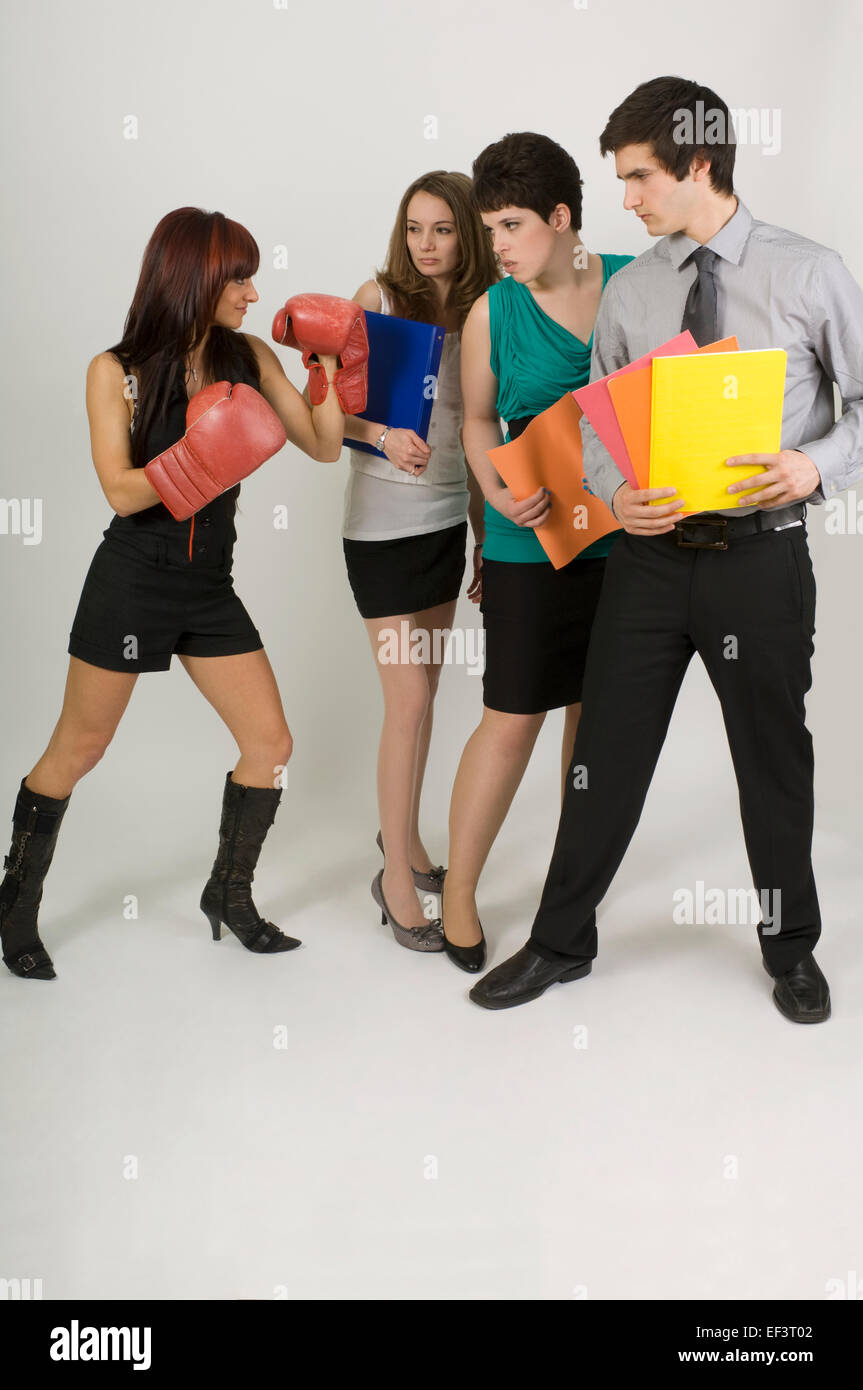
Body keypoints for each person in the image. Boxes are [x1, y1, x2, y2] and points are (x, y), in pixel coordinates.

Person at [470, 77, 863, 1022]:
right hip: (646, 566)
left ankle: (790, 952)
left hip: (760, 561)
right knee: (601, 755)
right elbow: (597, 421)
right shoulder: (635, 289)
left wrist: (813, 469)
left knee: (772, 759)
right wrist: (611, 493)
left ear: (700, 163)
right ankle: (561, 943)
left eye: (640, 176)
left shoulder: (808, 271)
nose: (628, 198)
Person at [0, 206, 349, 979]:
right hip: (132, 581)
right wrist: (203, 451)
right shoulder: (114, 370)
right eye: (239, 278)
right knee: (79, 748)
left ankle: (228, 894)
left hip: (207, 587)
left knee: (271, 745)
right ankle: (14, 908)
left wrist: (328, 367)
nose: (253, 294)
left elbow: (324, 447)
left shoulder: (251, 357)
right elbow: (121, 492)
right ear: (194, 277)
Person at [441, 132, 632, 972]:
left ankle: (567, 892)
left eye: (512, 226)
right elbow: (477, 420)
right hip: (529, 539)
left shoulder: (634, 281)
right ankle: (457, 891)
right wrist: (495, 487)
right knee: (512, 715)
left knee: (593, 722)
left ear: (562, 218)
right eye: (490, 230)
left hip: (626, 534)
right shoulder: (492, 310)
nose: (499, 247)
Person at [340, 172, 497, 953]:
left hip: (442, 524)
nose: (425, 246)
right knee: (405, 698)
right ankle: (394, 879)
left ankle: (404, 843)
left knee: (425, 692)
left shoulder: (480, 313)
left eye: (440, 230)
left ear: (466, 233)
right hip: (379, 528)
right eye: (413, 229)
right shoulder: (378, 300)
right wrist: (376, 436)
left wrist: (481, 538)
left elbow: (477, 438)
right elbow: (321, 411)